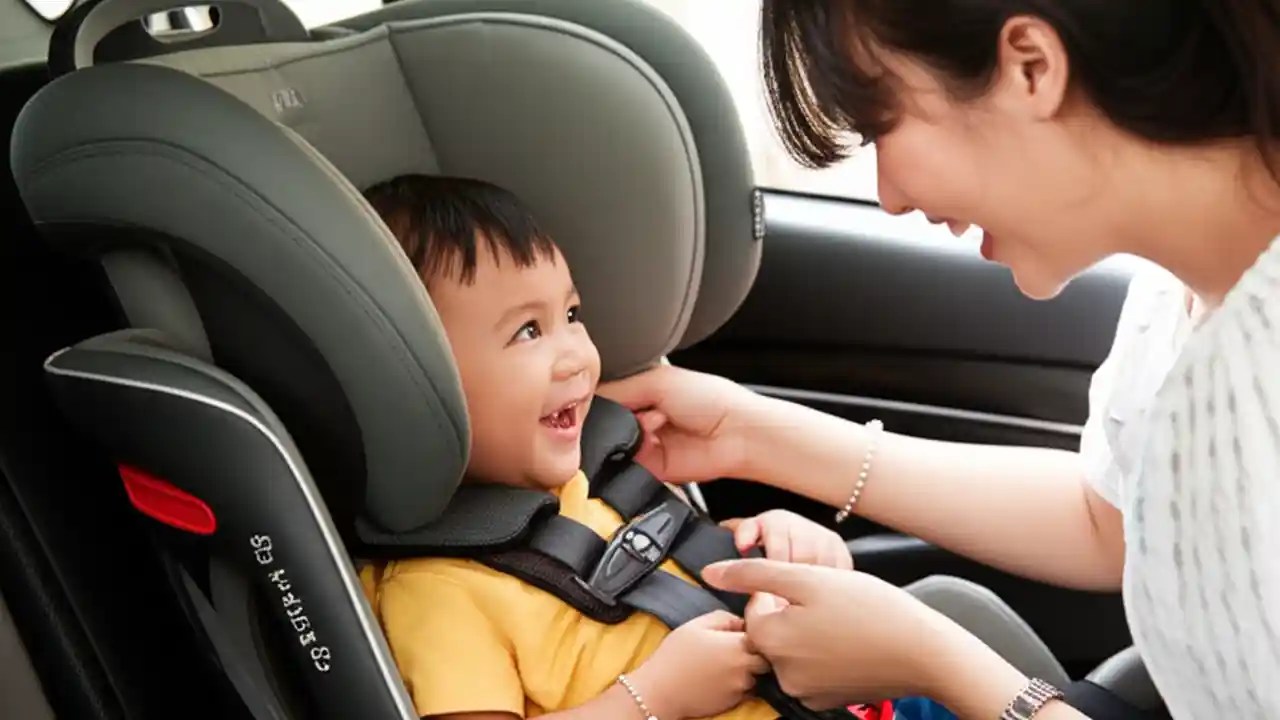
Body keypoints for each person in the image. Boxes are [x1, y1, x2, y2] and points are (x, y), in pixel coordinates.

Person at [597, 2, 1280, 719]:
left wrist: (936, 660)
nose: (889, 196)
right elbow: (1113, 521)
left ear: (1032, 69)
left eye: (881, 125)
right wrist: (750, 434)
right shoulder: (1180, 296)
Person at [356, 174, 855, 720]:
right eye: (527, 331)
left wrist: (766, 550)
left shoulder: (598, 475)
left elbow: (675, 575)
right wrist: (650, 701)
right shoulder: (435, 591)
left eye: (571, 316)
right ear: (417, 390)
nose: (576, 355)